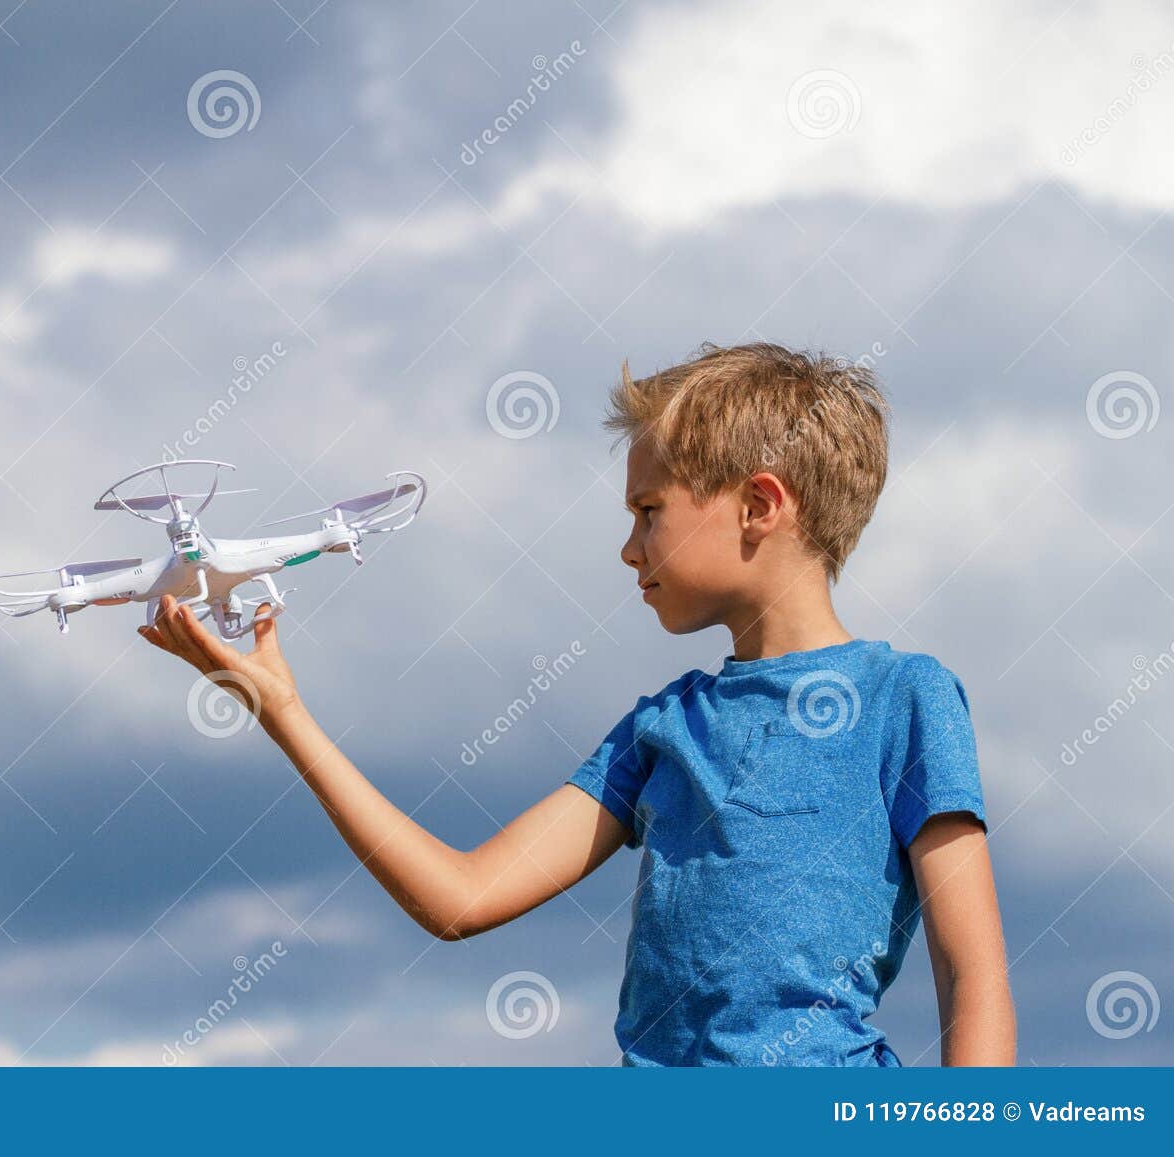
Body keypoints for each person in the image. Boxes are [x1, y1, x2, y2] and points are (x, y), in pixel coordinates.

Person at [137, 342, 1016, 1067]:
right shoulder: (658, 730)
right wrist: (280, 708)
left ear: (759, 505)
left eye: (649, 510)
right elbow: (460, 897)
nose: (629, 548)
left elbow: (970, 973)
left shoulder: (907, 699)